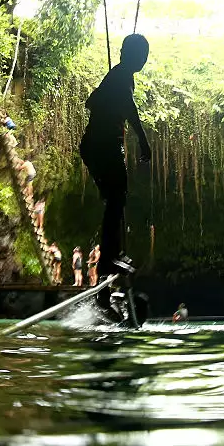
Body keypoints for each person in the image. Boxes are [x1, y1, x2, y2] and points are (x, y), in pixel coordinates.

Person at [79, 33, 152, 276]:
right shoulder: (121, 77)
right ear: (128, 54)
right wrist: (143, 141)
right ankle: (108, 259)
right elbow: (130, 109)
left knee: (116, 199)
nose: (143, 60)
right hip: (103, 146)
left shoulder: (120, 76)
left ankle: (112, 257)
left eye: (145, 55)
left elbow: (97, 103)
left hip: (100, 145)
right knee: (116, 198)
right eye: (141, 55)